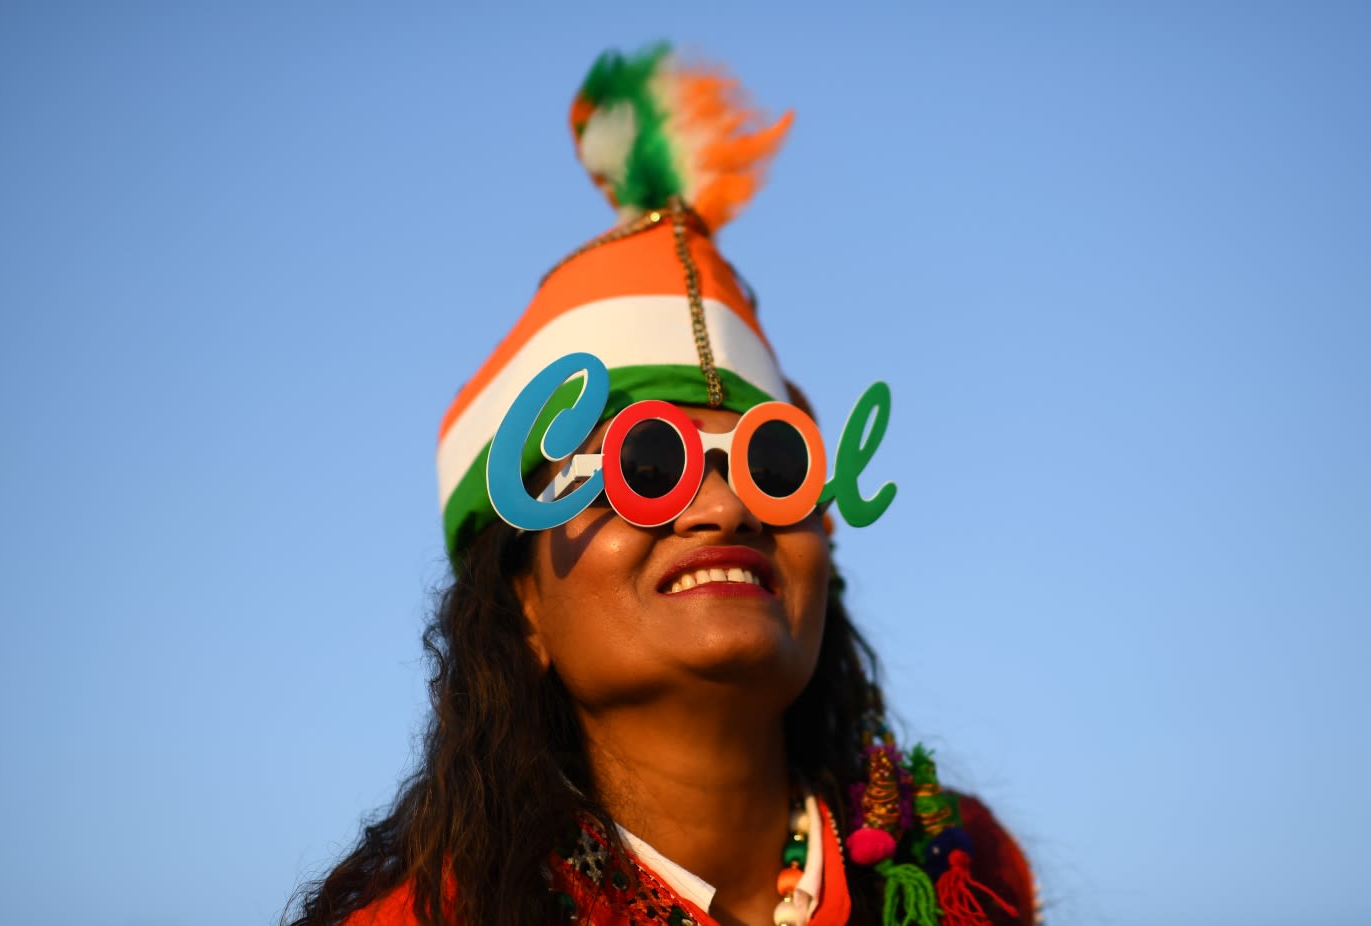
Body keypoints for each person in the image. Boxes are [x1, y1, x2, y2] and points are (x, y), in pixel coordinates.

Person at [286, 45, 1036, 926]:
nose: (725, 506)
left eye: (774, 465)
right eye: (649, 465)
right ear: (520, 600)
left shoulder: (963, 872)